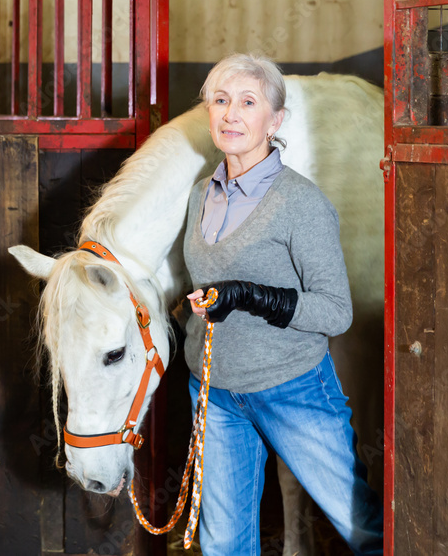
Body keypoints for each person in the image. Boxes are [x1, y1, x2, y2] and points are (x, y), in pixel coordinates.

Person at [181, 54, 383, 555]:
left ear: (275, 121)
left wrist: (252, 296)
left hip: (292, 388)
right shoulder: (198, 196)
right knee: (224, 544)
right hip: (214, 393)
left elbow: (336, 311)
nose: (231, 115)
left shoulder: (302, 204)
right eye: (221, 101)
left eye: (248, 102)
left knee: (362, 527)